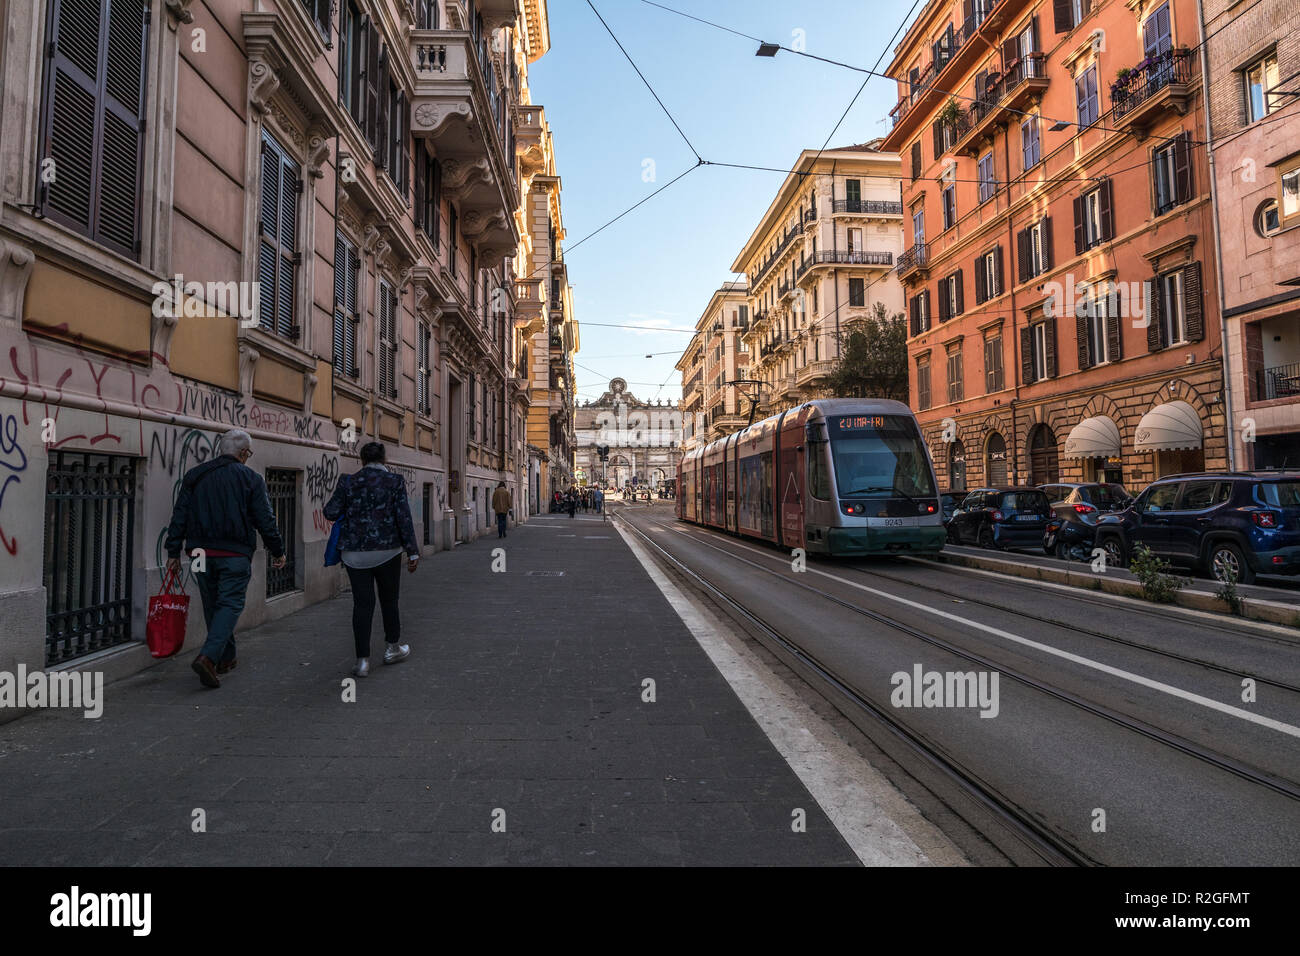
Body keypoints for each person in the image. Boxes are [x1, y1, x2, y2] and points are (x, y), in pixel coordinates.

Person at [164, 428, 287, 689]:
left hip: (199, 553)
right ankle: (208, 657)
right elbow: (265, 519)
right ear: (242, 453)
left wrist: (173, 551)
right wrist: (277, 549)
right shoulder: (251, 479)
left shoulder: (195, 476)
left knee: (213, 605)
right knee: (230, 605)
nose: (248, 457)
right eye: (248, 453)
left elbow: (180, 515)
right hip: (234, 554)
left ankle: (226, 658)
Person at [322, 442, 419, 677]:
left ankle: (362, 661)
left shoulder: (348, 481)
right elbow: (403, 517)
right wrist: (413, 551)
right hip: (388, 551)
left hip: (355, 554)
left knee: (362, 605)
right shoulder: (395, 481)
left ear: (362, 460)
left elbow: (330, 512)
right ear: (384, 459)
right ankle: (392, 649)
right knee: (389, 600)